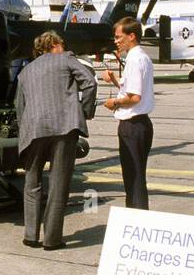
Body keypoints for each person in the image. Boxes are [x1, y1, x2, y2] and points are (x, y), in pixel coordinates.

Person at [15, 30, 97, 250]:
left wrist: (26, 127)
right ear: (54, 45)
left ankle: (30, 236)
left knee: (32, 183)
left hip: (33, 130)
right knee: (58, 183)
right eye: (62, 43)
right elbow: (89, 82)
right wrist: (85, 112)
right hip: (64, 127)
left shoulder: (26, 71)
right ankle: (52, 239)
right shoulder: (65, 59)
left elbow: (19, 106)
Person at [102, 16, 155, 210]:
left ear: (131, 36)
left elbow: (134, 98)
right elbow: (131, 91)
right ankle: (135, 218)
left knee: (134, 179)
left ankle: (137, 220)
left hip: (132, 125)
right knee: (134, 176)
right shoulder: (141, 57)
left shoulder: (134, 59)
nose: (116, 41)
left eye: (119, 37)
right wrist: (115, 80)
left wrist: (113, 102)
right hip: (140, 124)